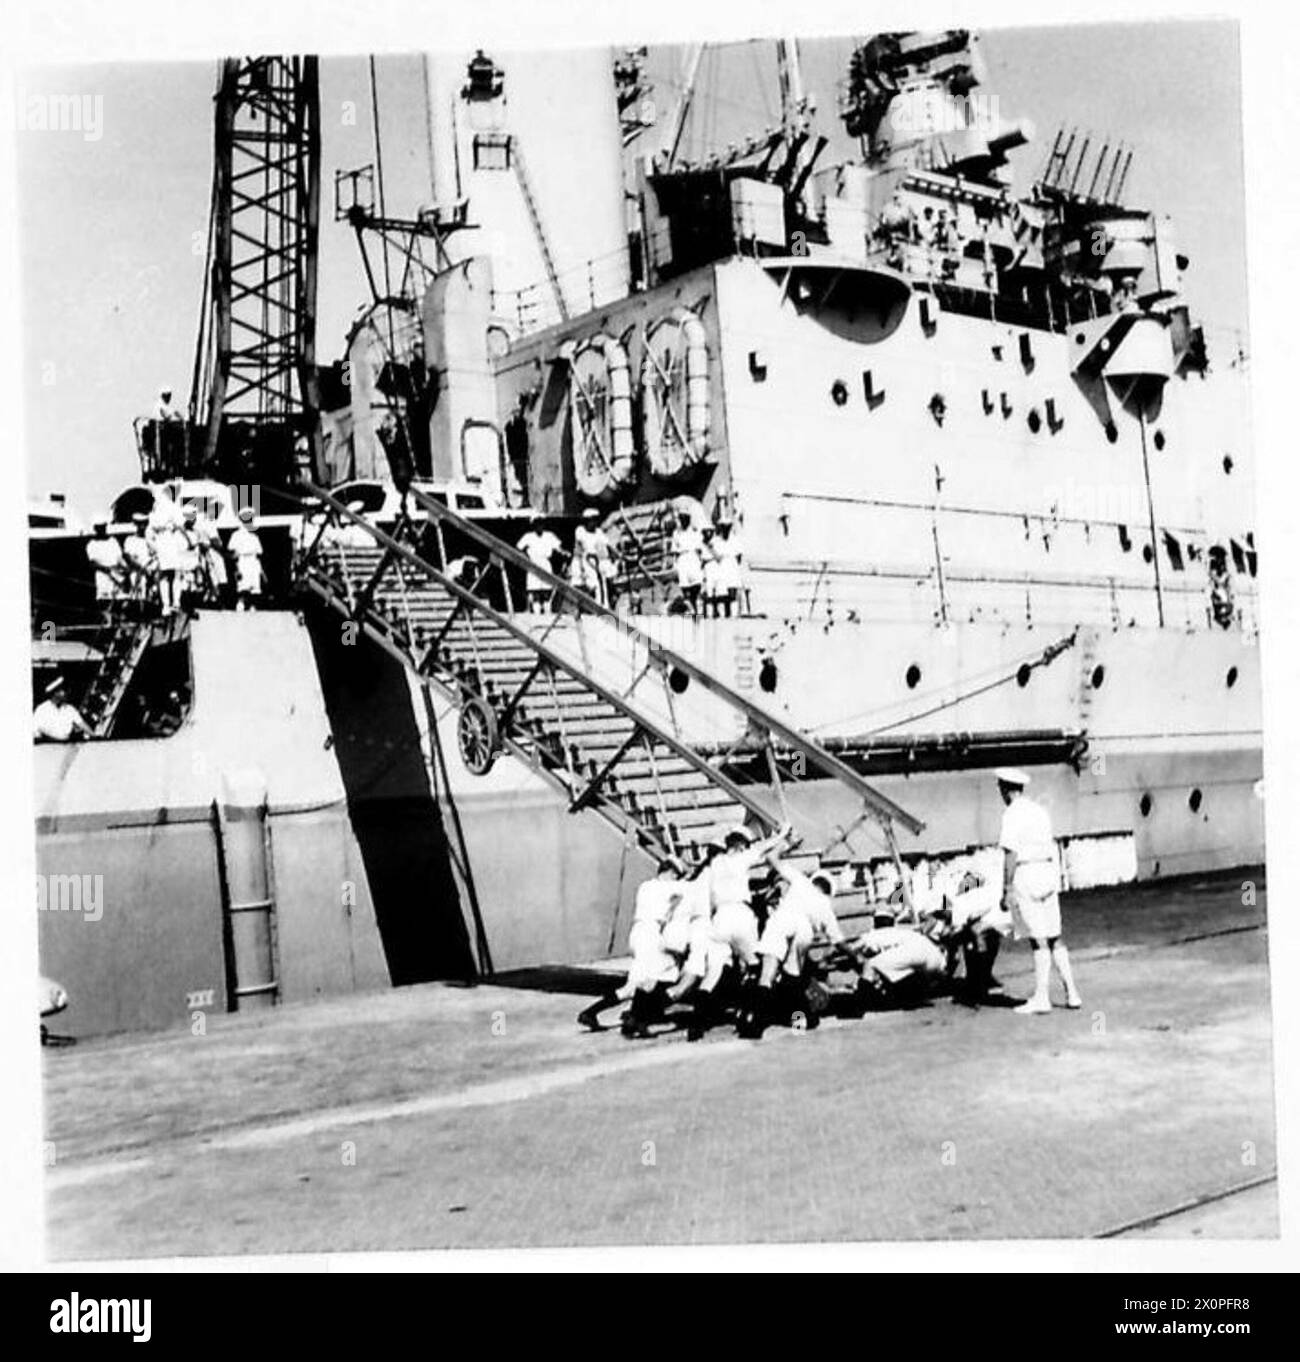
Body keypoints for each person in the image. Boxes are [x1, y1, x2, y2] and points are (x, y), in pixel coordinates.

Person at [995, 767, 1081, 1014]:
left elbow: (1010, 852)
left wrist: (1007, 887)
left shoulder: (1012, 814)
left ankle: (1041, 997)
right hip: (1047, 870)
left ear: (1005, 789)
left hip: (1027, 873)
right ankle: (1072, 993)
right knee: (1055, 935)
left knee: (1038, 939)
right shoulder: (1039, 810)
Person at [577, 859, 687, 1037]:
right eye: (675, 874)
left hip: (637, 932)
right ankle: (638, 1021)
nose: (676, 878)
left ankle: (591, 1013)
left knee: (632, 985)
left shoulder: (645, 886)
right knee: (656, 978)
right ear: (669, 871)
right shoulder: (666, 887)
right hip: (651, 933)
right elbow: (687, 889)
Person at [743, 860, 845, 1035]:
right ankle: (801, 1020)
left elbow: (774, 860)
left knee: (767, 974)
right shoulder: (825, 905)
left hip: (782, 918)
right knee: (793, 979)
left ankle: (755, 1023)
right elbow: (838, 941)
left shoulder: (801, 880)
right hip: (804, 929)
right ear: (829, 891)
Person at [850, 912, 954, 1009]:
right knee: (897, 966)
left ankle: (862, 1001)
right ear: (892, 922)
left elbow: (849, 949)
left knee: (870, 964)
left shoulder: (872, 935)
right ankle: (915, 991)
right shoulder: (904, 931)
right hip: (934, 959)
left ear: (875, 923)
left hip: (912, 957)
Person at [944, 867, 1012, 1005]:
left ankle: (983, 977)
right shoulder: (955, 895)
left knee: (987, 935)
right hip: (965, 925)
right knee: (972, 936)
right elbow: (957, 923)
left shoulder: (985, 892)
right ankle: (974, 981)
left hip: (987, 921)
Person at [516, 512, 563, 614]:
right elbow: (519, 548)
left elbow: (558, 548)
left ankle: (547, 612)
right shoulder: (528, 536)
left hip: (545, 564)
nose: (539, 525)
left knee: (546, 590)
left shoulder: (549, 535)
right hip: (533, 564)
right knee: (535, 590)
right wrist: (525, 558)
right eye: (537, 523)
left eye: (541, 523)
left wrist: (563, 553)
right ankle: (536, 613)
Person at [570, 508, 614, 607]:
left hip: (594, 561)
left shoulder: (598, 532)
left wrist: (617, 555)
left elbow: (607, 544)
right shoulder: (580, 530)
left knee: (599, 582)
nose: (594, 522)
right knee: (581, 585)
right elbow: (579, 548)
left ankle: (602, 605)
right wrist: (581, 567)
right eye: (592, 520)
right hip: (583, 560)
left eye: (595, 520)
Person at [670, 508, 705, 618]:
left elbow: (700, 548)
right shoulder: (676, 533)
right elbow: (674, 550)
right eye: (681, 518)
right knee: (684, 585)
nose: (683, 520)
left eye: (685, 518)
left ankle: (695, 606)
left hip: (693, 557)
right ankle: (690, 608)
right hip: (682, 558)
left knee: (696, 584)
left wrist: (701, 561)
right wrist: (675, 564)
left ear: (689, 519)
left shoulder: (695, 532)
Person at [33, 676, 89, 743]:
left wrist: (95, 737)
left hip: (66, 745)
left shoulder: (70, 709)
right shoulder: (42, 709)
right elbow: (34, 731)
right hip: (48, 746)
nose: (65, 694)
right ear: (55, 693)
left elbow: (83, 725)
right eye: (63, 691)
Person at [229, 507, 265, 610]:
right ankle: (240, 604)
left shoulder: (254, 536)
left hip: (253, 561)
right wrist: (236, 568)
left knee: (254, 586)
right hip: (242, 561)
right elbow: (233, 552)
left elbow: (259, 552)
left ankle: (253, 606)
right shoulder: (236, 535)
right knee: (242, 585)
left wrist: (260, 568)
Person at [84, 520, 125, 608]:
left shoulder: (113, 541)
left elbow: (120, 558)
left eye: (103, 527)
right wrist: (106, 569)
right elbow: (92, 563)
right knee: (104, 601)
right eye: (99, 528)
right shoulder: (91, 544)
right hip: (103, 576)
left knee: (119, 600)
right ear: (95, 529)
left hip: (117, 574)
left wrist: (123, 570)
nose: (101, 530)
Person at [122, 512, 157, 608]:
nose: (142, 527)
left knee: (149, 599)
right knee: (136, 598)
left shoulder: (150, 541)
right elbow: (128, 557)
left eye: (144, 524)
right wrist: (141, 568)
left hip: (149, 573)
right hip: (136, 573)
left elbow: (155, 556)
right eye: (139, 524)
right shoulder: (130, 540)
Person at [711, 518, 744, 617]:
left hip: (732, 565)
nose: (725, 529)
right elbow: (713, 554)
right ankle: (723, 615)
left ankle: (733, 616)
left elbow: (739, 556)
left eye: (728, 527)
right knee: (721, 591)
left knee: (732, 591)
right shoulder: (716, 540)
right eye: (723, 527)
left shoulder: (735, 539)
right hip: (721, 566)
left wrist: (733, 566)